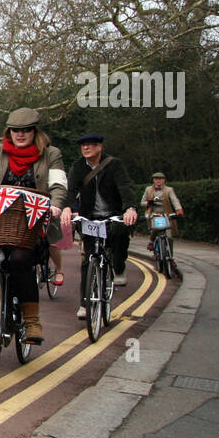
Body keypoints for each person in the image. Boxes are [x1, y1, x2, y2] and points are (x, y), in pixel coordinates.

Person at [0, 108, 69, 342]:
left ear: (35, 131)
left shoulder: (51, 154)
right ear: (8, 132)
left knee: (21, 261)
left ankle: (32, 321)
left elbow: (58, 186)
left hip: (33, 219)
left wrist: (55, 205)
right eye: (15, 131)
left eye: (25, 131)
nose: (20, 135)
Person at [61, 132, 138, 319]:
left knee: (120, 234)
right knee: (89, 259)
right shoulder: (78, 166)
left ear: (100, 147)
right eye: (83, 145)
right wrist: (67, 208)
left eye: (90, 144)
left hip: (113, 215)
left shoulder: (114, 165)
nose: (86, 148)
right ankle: (85, 304)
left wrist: (130, 208)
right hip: (90, 217)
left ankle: (119, 266)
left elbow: (125, 187)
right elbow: (71, 190)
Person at [141, 171, 184, 246]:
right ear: (153, 180)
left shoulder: (169, 190)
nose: (158, 181)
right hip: (153, 214)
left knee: (169, 237)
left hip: (166, 214)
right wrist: (148, 203)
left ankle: (170, 255)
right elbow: (142, 203)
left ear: (164, 180)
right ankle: (151, 243)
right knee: (155, 230)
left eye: (160, 179)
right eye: (156, 179)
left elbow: (174, 200)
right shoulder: (148, 189)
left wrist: (178, 209)